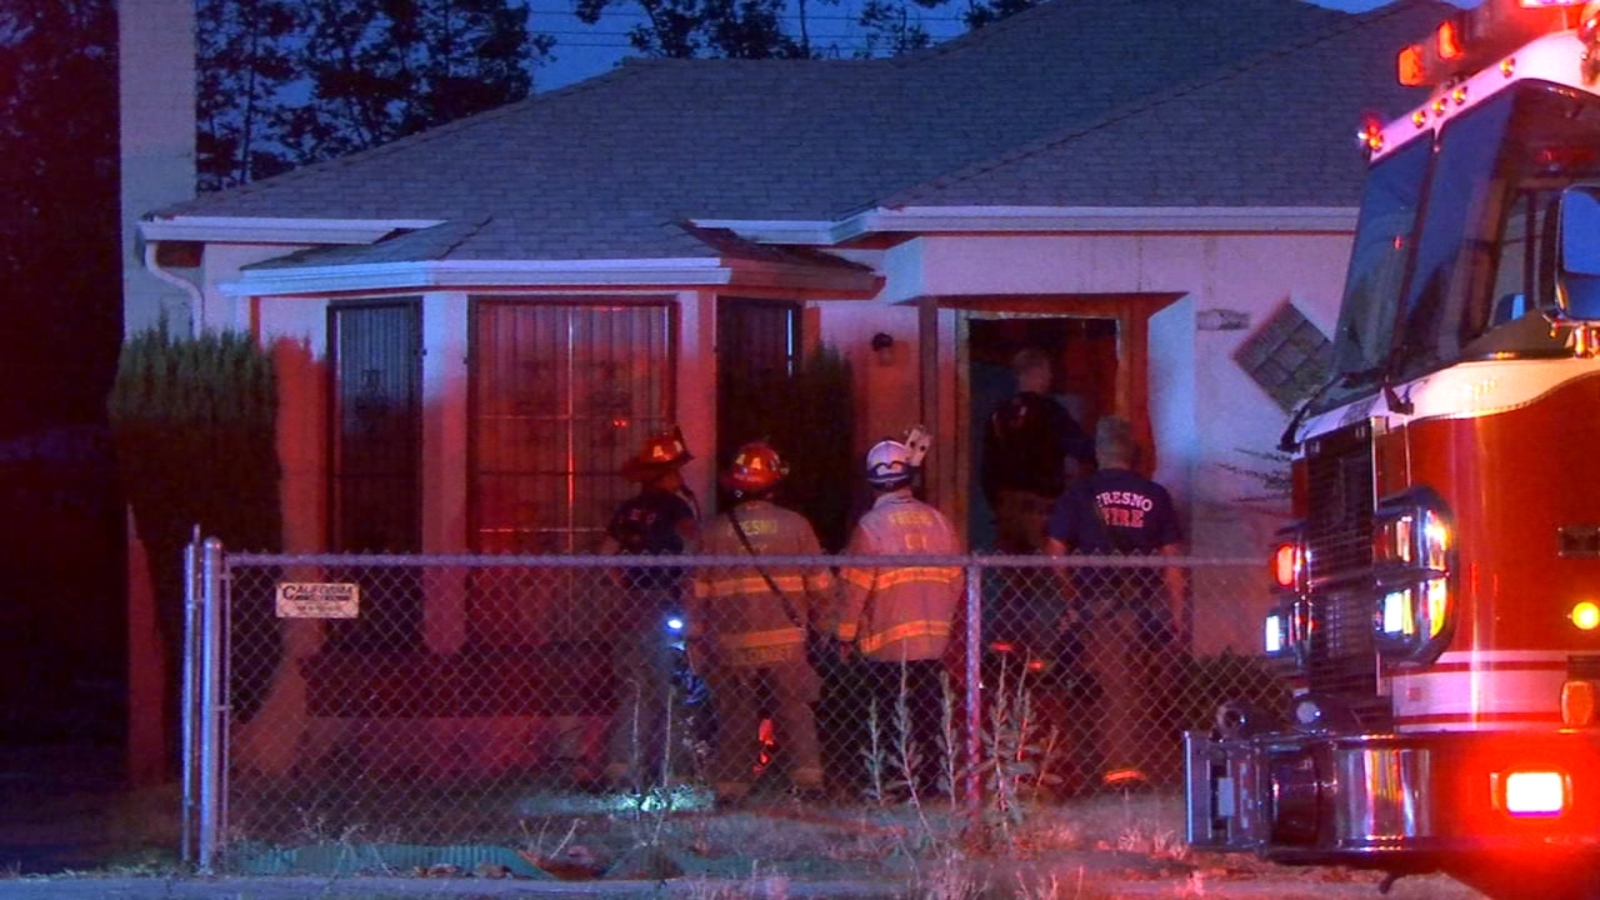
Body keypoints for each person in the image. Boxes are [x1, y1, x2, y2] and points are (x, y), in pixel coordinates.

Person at [1044, 415, 1185, 790]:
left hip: (1094, 606)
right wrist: (1177, 615)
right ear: (1133, 453)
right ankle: (1123, 767)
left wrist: (1071, 598)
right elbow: (1172, 561)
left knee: (1106, 688)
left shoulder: (1080, 493)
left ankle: (1115, 769)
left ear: (1099, 452)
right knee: (1133, 686)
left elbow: (1054, 549)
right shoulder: (1155, 495)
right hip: (1141, 608)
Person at [688, 442, 834, 804]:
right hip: (786, 640)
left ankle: (731, 790)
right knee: (794, 709)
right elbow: (820, 585)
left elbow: (696, 591)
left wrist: (694, 638)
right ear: (775, 483)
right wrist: (827, 628)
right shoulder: (796, 526)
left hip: (731, 641)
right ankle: (808, 783)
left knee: (736, 714)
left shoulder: (714, 532)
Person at [834, 431, 963, 796]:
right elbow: (956, 585)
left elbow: (852, 592)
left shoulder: (870, 529)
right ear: (910, 478)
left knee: (892, 720)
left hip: (886, 649)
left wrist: (843, 637)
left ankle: (896, 786)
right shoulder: (940, 522)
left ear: (872, 483)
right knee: (929, 718)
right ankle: (934, 787)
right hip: (933, 646)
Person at [599, 427, 700, 791]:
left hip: (629, 606)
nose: (681, 477)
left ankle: (620, 769)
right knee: (669, 688)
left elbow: (605, 557)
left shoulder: (629, 510)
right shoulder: (676, 507)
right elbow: (697, 549)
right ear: (667, 474)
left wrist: (626, 587)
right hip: (663, 604)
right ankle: (671, 771)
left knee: (633, 688)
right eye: (677, 471)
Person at [981, 348, 1096, 556]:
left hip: (1006, 508)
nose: (1050, 378)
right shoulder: (1050, 410)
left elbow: (987, 466)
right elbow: (1081, 448)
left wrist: (999, 502)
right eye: (1048, 372)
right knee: (1044, 573)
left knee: (1012, 574)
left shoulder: (999, 413)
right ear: (1038, 372)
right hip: (1040, 506)